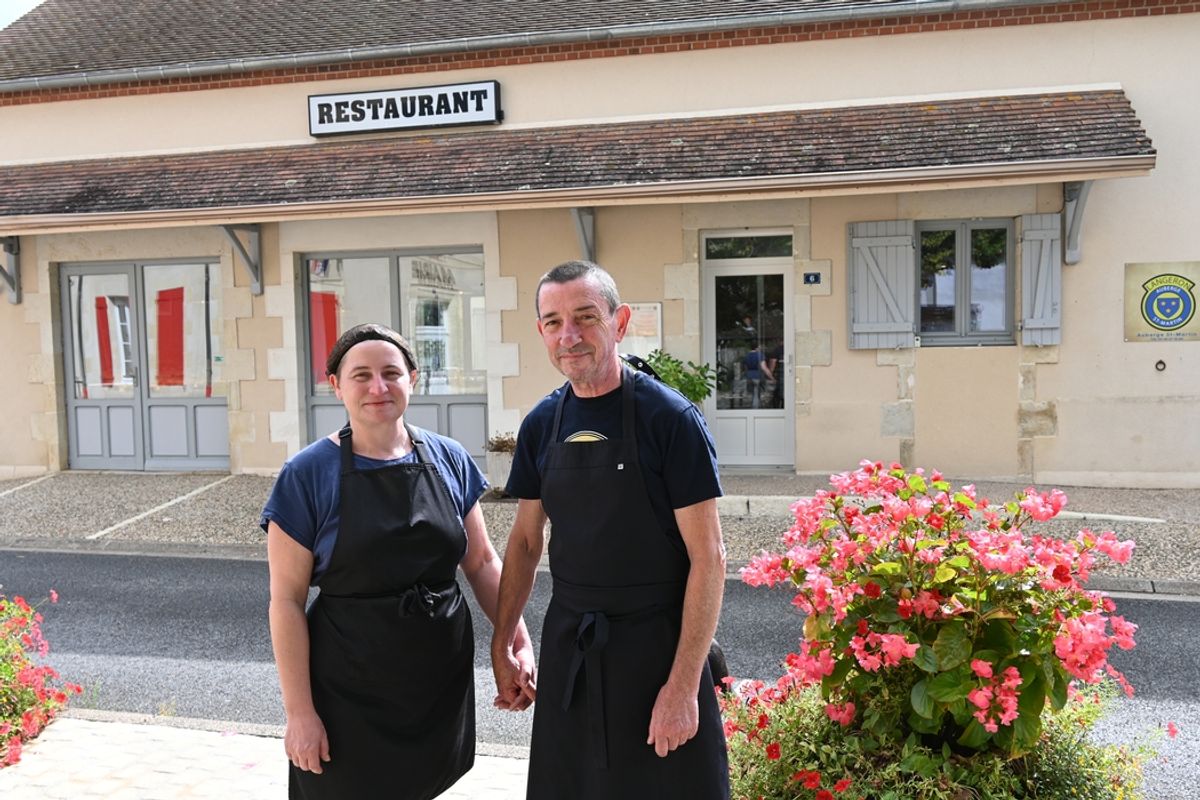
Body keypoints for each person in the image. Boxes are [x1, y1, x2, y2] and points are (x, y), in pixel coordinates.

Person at [262, 322, 535, 800]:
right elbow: (285, 602)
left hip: (434, 677)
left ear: (414, 378)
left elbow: (483, 563)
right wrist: (300, 714)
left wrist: (516, 643)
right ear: (335, 385)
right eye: (361, 375)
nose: (378, 387)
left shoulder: (449, 458)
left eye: (391, 373)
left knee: (424, 785)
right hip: (348, 683)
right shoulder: (305, 475)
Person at [491, 261, 730, 799]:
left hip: (657, 650)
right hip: (572, 646)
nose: (568, 336)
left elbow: (709, 559)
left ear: (619, 323)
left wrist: (683, 686)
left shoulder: (669, 420)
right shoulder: (540, 425)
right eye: (553, 322)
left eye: (585, 317)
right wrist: (503, 642)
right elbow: (527, 543)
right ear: (541, 333)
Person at [742, 342, 772, 409]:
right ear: (757, 347)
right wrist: (771, 377)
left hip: (749, 377)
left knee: (752, 394)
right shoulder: (760, 355)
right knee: (758, 394)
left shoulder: (746, 356)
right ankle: (756, 410)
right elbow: (764, 368)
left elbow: (745, 368)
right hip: (758, 377)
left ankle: (753, 409)